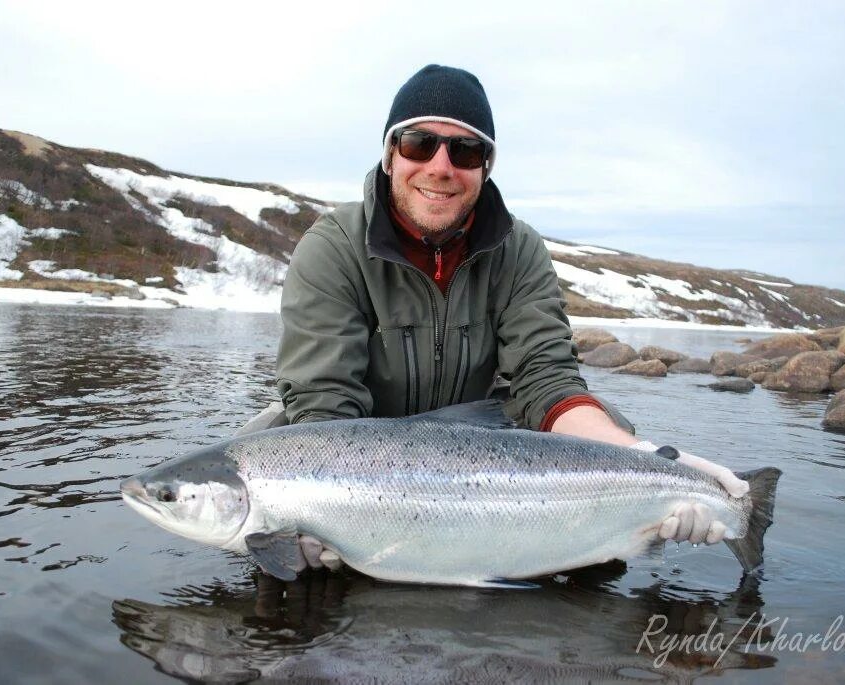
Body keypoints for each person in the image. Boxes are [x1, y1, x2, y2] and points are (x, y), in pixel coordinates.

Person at [272, 65, 749, 572]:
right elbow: (323, 402)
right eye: (418, 144)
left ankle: (599, 534)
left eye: (466, 151)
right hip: (365, 450)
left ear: (485, 167)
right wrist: (321, 511)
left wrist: (658, 462)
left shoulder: (519, 249)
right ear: (390, 156)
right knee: (272, 462)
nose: (440, 167)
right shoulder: (333, 247)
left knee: (614, 435)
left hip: (483, 441)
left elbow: (547, 381)